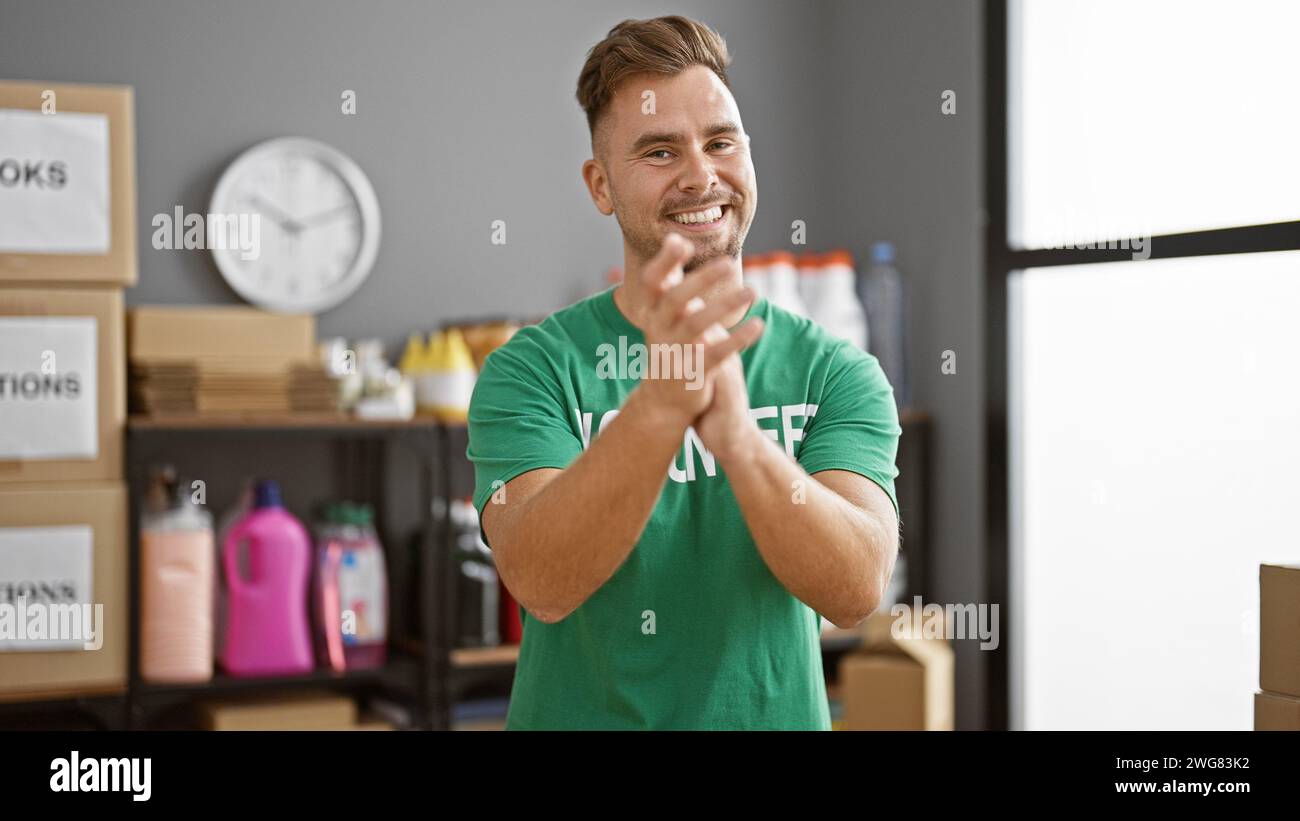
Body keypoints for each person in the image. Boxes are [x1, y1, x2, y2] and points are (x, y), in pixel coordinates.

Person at [467, 15, 901, 730]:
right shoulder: (532, 370)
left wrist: (739, 440)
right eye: (660, 151)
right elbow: (541, 582)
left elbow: (855, 590)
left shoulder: (837, 372)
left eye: (721, 142)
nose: (701, 175)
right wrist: (660, 410)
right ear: (601, 186)